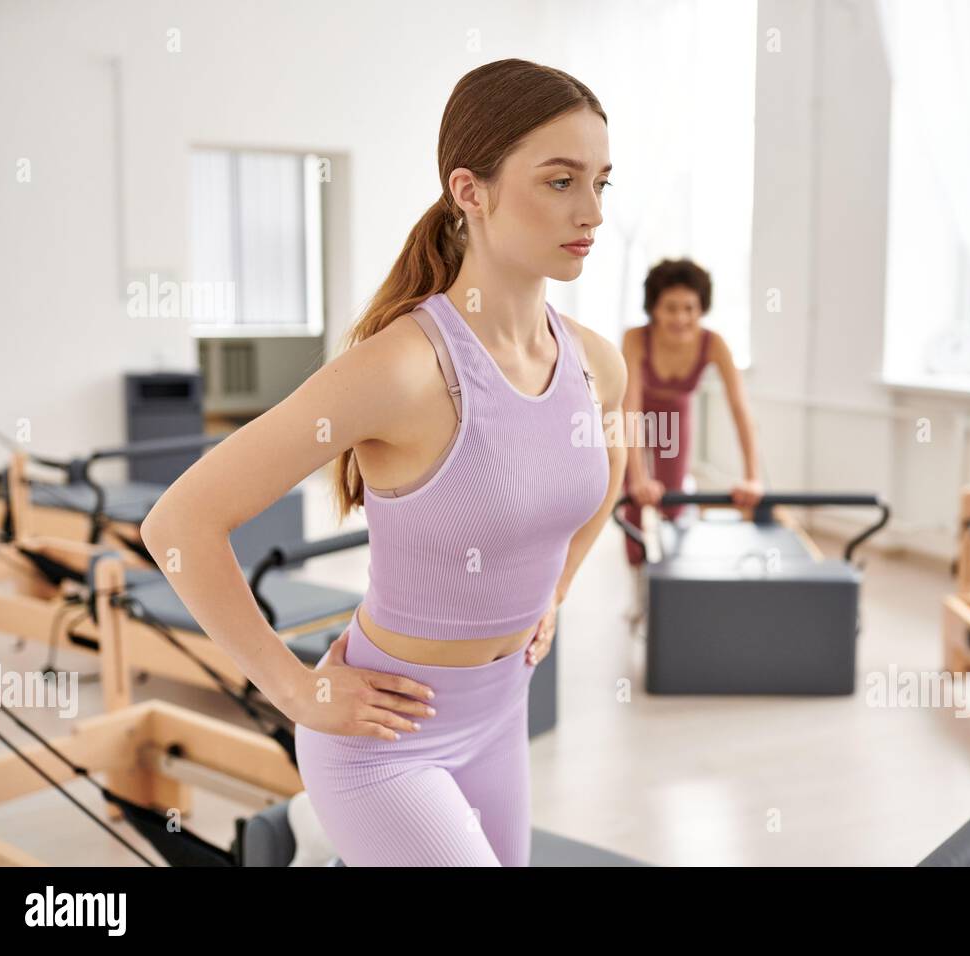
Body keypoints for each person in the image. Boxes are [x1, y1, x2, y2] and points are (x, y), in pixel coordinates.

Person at [141, 58, 627, 866]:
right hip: (384, 739)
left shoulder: (595, 365)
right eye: (559, 181)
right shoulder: (402, 370)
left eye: (602, 183)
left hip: (501, 714)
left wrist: (555, 592)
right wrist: (293, 689)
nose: (591, 212)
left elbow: (603, 487)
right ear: (471, 191)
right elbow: (181, 521)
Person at [620, 258, 763, 585]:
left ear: (702, 308)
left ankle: (671, 578)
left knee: (672, 500)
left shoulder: (714, 344)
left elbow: (740, 411)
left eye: (689, 308)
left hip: (676, 416)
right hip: (634, 415)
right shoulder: (635, 339)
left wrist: (752, 478)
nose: (681, 317)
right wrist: (640, 479)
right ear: (654, 308)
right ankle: (636, 587)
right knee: (634, 501)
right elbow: (629, 410)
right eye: (670, 308)